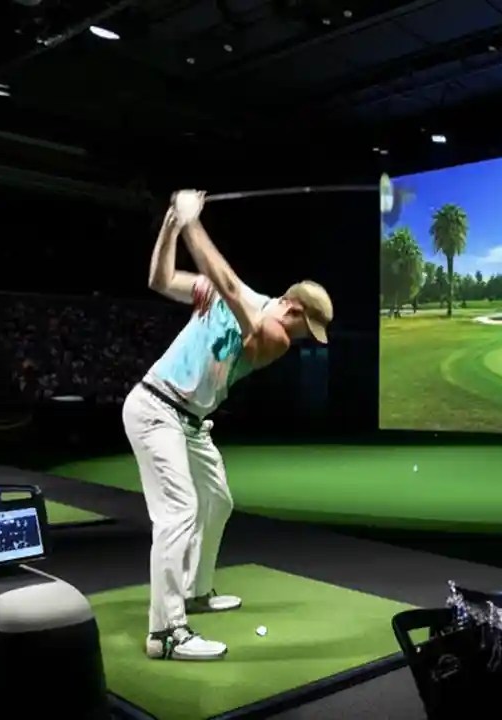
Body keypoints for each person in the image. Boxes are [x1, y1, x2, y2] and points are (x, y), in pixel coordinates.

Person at [122, 190, 333, 660]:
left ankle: (196, 590)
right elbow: (160, 279)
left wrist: (192, 221)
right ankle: (166, 633)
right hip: (156, 407)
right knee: (179, 513)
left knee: (217, 500)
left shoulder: (272, 337)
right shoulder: (242, 304)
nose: (302, 341)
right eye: (307, 331)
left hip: (191, 422)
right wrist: (174, 224)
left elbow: (231, 289)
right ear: (295, 308)